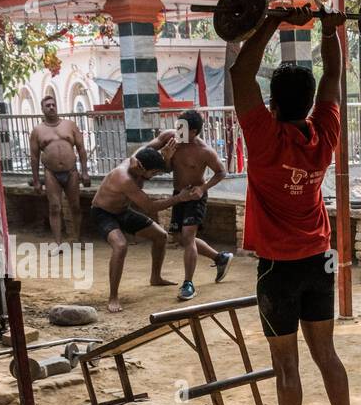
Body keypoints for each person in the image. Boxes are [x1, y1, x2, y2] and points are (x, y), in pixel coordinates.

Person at [230, 5, 360, 405]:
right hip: (319, 260)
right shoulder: (323, 133)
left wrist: (272, 19)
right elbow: (333, 77)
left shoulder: (264, 137)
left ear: (273, 103)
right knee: (326, 353)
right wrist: (329, 28)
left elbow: (239, 69)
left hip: (278, 267)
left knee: (286, 364)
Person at [89, 135, 197, 312]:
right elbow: (149, 206)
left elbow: (159, 139)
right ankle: (113, 297)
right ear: (141, 167)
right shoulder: (123, 178)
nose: (153, 177)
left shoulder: (141, 156)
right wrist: (179, 198)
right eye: (153, 173)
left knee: (160, 236)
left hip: (122, 211)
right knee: (121, 245)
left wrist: (170, 150)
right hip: (102, 213)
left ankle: (156, 277)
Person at [166, 109, 234, 301]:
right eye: (178, 126)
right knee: (180, 237)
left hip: (195, 196)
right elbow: (163, 164)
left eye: (183, 128)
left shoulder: (205, 151)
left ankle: (188, 283)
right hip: (179, 195)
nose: (178, 131)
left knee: (188, 237)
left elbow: (221, 172)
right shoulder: (173, 142)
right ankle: (220, 258)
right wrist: (166, 155)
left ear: (194, 132)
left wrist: (203, 188)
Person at [29, 95, 89, 244]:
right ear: (42, 109)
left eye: (53, 105)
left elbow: (81, 149)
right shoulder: (38, 130)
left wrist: (85, 172)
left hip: (71, 171)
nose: (51, 107)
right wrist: (36, 181)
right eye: (47, 105)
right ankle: (58, 243)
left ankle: (78, 238)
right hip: (51, 173)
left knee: (75, 206)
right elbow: (34, 157)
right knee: (54, 207)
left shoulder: (69, 125)